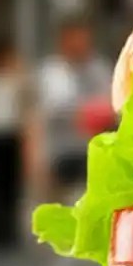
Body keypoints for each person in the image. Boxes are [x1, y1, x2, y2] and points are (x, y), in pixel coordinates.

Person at [36, 14, 114, 193]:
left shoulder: (99, 68)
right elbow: (57, 109)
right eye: (75, 38)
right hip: (63, 154)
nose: (81, 43)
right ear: (63, 40)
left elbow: (111, 104)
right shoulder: (53, 72)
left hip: (96, 153)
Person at [0, 36, 31, 250]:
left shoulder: (15, 81)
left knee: (11, 185)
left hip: (11, 136)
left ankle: (10, 230)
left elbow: (25, 106)